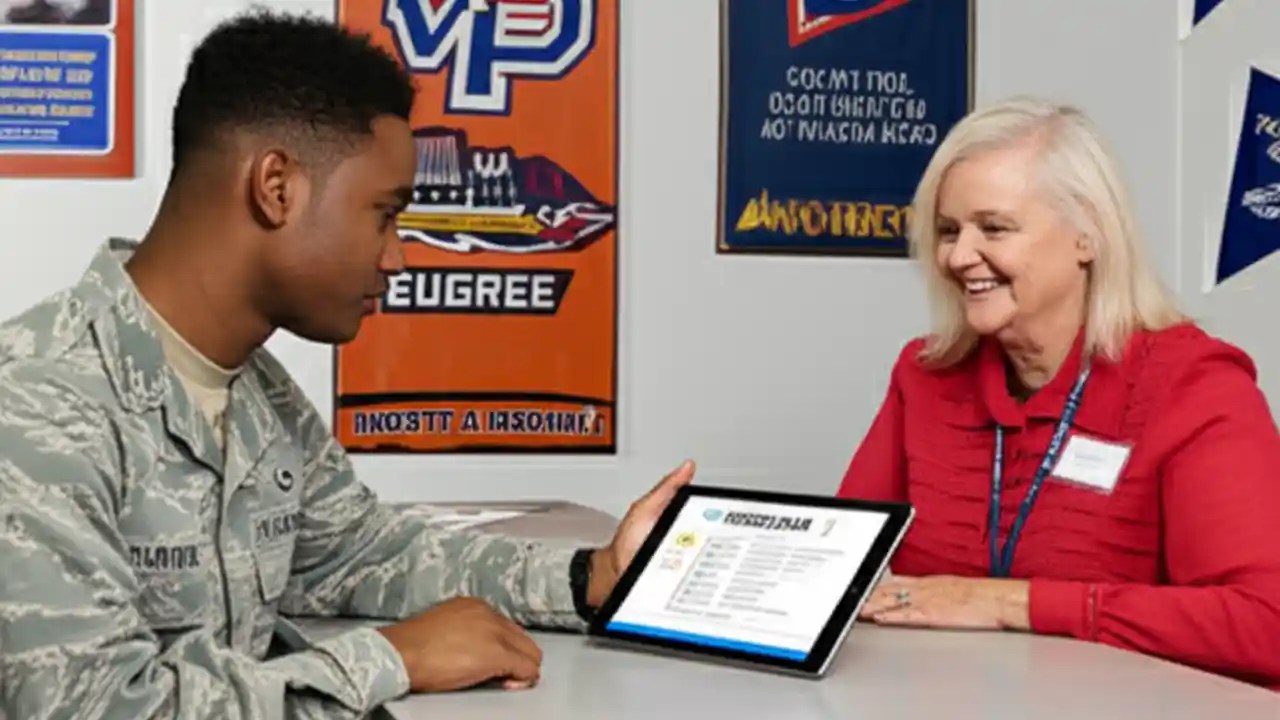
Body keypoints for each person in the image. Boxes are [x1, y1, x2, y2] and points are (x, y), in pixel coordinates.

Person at [0, 10, 695, 718]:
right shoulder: (34, 405)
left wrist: (592, 577)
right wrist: (392, 660)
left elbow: (364, 554)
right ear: (277, 188)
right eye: (384, 214)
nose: (395, 257)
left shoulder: (258, 394)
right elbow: (91, 707)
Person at [838, 96, 1280, 687]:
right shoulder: (924, 375)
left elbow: (1266, 624)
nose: (958, 256)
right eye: (948, 230)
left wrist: (1008, 603)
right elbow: (839, 571)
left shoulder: (1194, 387)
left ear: (1087, 237)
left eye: (993, 228)